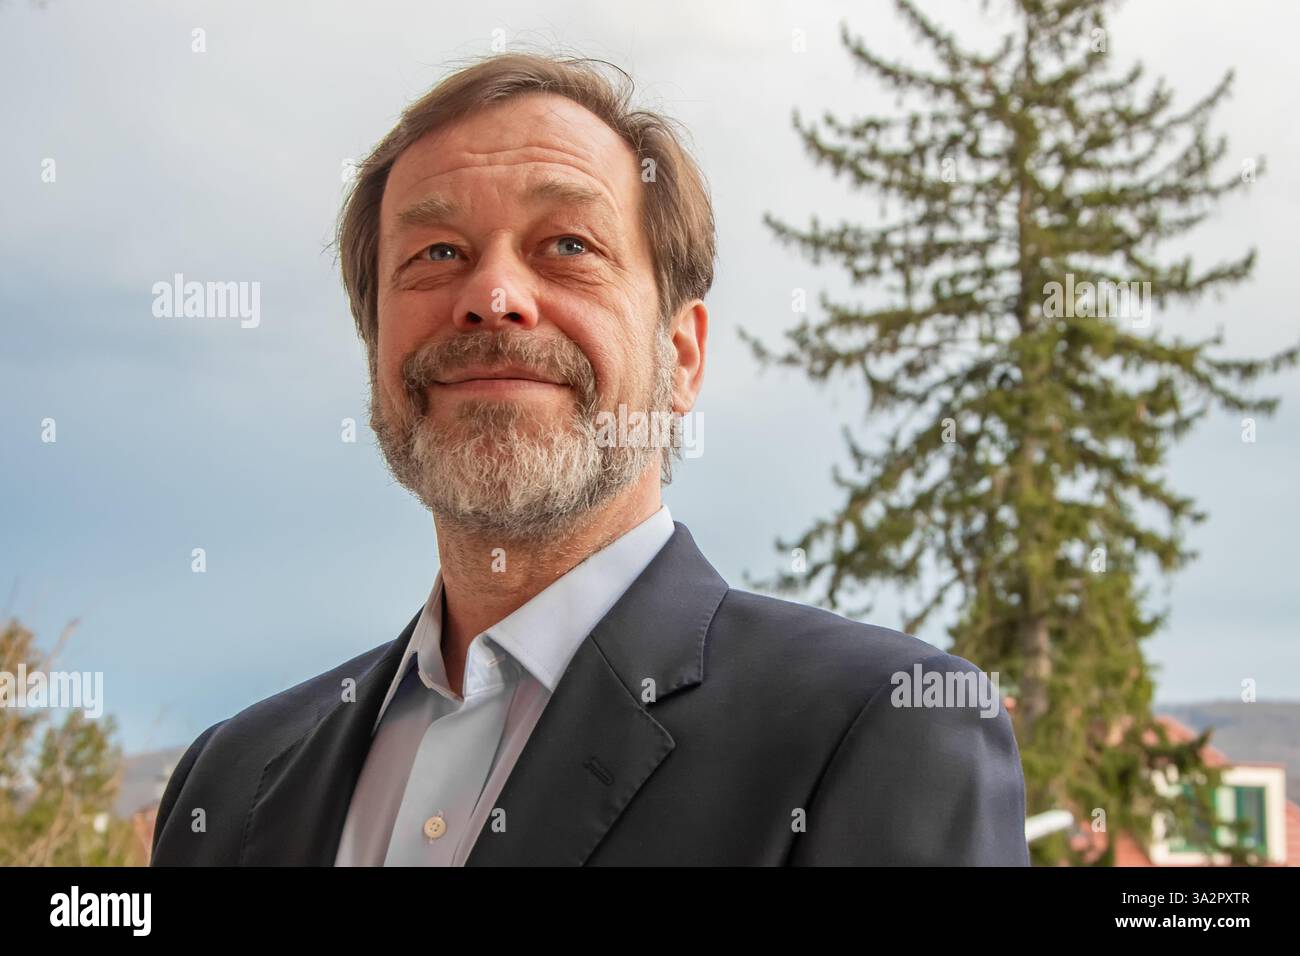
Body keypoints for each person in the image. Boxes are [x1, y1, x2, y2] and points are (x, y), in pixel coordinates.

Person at [151, 52, 1029, 866]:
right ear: (374, 346)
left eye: (568, 246)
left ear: (681, 357)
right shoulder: (224, 785)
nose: (492, 297)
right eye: (437, 254)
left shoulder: (882, 731)